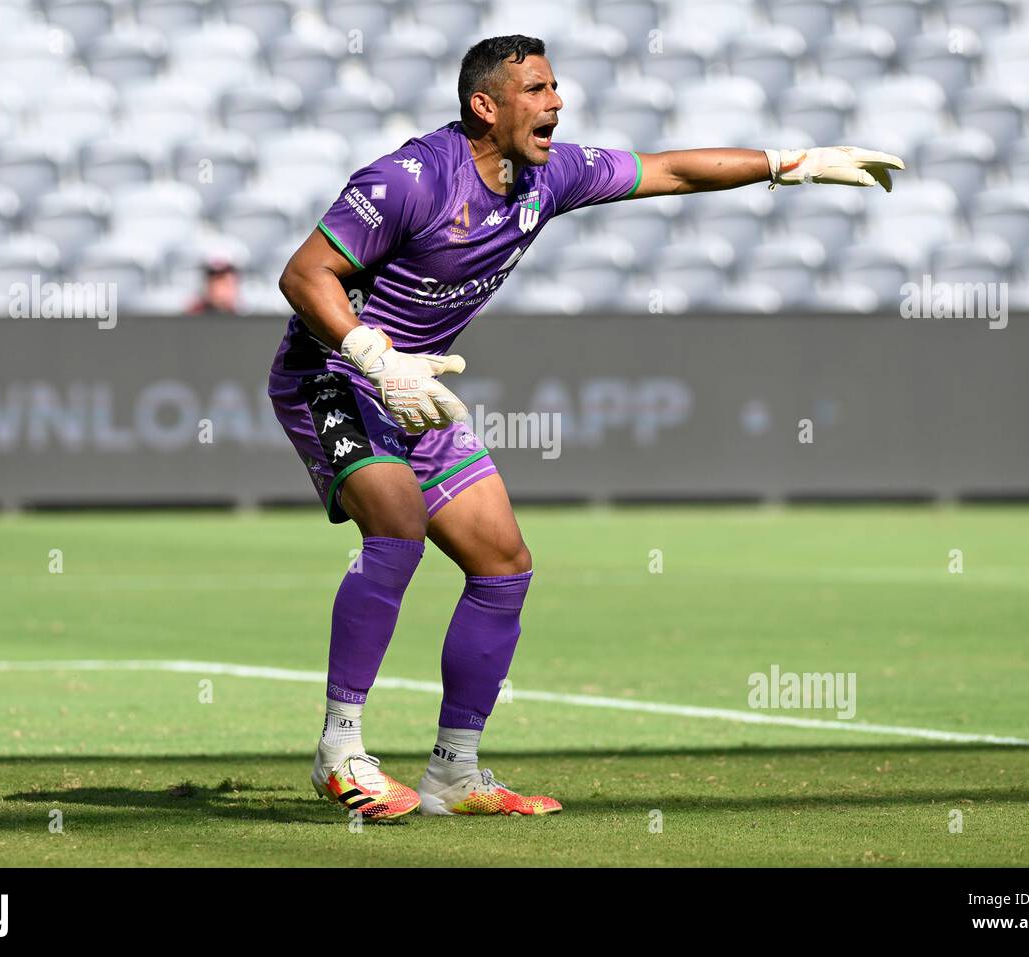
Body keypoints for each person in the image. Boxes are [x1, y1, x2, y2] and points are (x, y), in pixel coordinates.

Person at [271, 35, 903, 819]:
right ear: (485, 106)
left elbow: (670, 171)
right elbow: (303, 274)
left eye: (555, 87)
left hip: (421, 391)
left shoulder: (550, 175)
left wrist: (788, 162)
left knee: (502, 563)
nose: (556, 102)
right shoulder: (410, 179)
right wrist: (375, 356)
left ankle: (454, 771)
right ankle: (339, 752)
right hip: (334, 373)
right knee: (397, 523)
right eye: (537, 90)